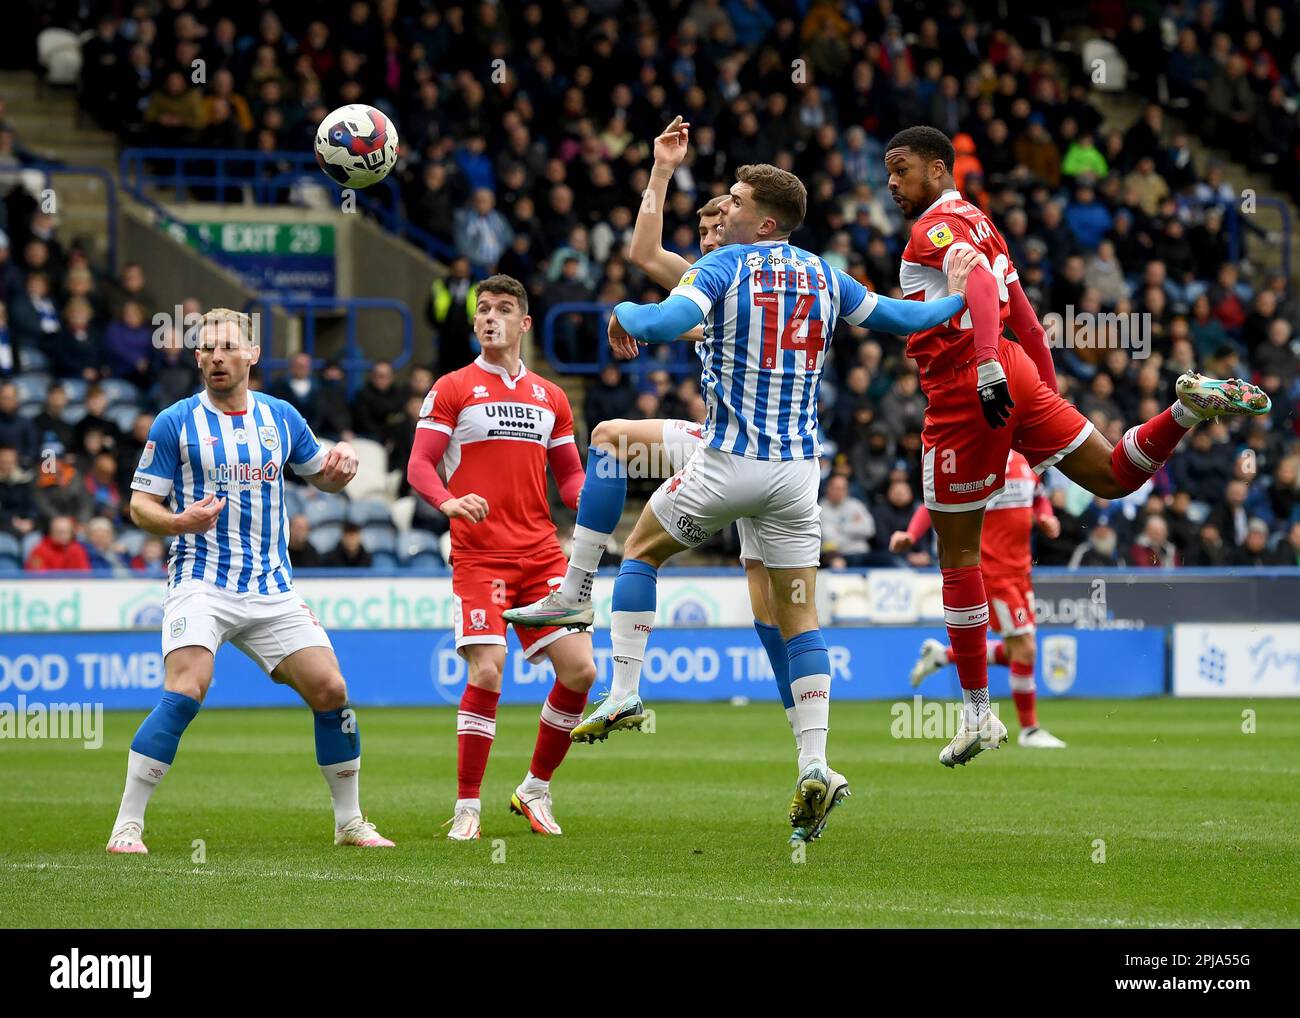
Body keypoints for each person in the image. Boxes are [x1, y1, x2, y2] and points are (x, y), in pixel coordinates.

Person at [518, 160, 978, 840]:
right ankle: (816, 764)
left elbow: (666, 317)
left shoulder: (725, 269)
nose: (721, 209)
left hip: (728, 460)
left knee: (641, 551)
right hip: (796, 477)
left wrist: (621, 312)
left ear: (762, 220)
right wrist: (959, 295)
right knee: (799, 619)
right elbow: (902, 316)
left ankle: (622, 686)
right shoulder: (824, 272)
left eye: (732, 201)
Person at [884, 126, 1269, 769]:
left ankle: (978, 714)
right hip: (1021, 378)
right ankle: (1185, 408)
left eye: (900, 169)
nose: (892, 182)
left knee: (956, 555)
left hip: (964, 390)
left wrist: (984, 369)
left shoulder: (933, 228)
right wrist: (1041, 403)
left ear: (938, 167)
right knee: (1116, 475)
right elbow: (1027, 316)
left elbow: (977, 287)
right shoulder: (984, 221)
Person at [106, 308, 394, 856]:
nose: (216, 356)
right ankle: (127, 825)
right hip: (201, 580)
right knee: (187, 688)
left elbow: (323, 478)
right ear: (196, 358)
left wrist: (346, 461)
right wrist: (178, 522)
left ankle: (350, 821)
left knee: (332, 691)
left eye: (226, 347)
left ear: (252, 354)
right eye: (205, 349)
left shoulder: (282, 417)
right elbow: (140, 505)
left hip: (270, 587)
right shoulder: (175, 422)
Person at [406, 275, 593, 841]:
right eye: (483, 309)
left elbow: (569, 479)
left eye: (503, 309)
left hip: (540, 554)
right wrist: (448, 500)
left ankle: (535, 789)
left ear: (524, 323)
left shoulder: (550, 397)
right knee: (489, 669)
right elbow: (418, 466)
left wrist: (597, 512)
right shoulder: (453, 387)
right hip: (480, 557)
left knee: (582, 669)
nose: (490, 317)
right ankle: (467, 806)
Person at [893, 450, 1067, 749]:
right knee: (1025, 648)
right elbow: (936, 502)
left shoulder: (1025, 459)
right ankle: (1029, 730)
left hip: (1021, 571)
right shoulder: (981, 458)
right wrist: (911, 534)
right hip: (993, 571)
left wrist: (1046, 516)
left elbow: (1038, 497)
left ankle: (941, 656)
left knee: (1019, 652)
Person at [25, 515, 91, 571]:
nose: (61, 535)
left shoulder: (77, 549)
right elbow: (35, 575)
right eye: (58, 532)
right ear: (51, 532)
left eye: (65, 532)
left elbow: (83, 573)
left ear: (71, 533)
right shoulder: (40, 550)